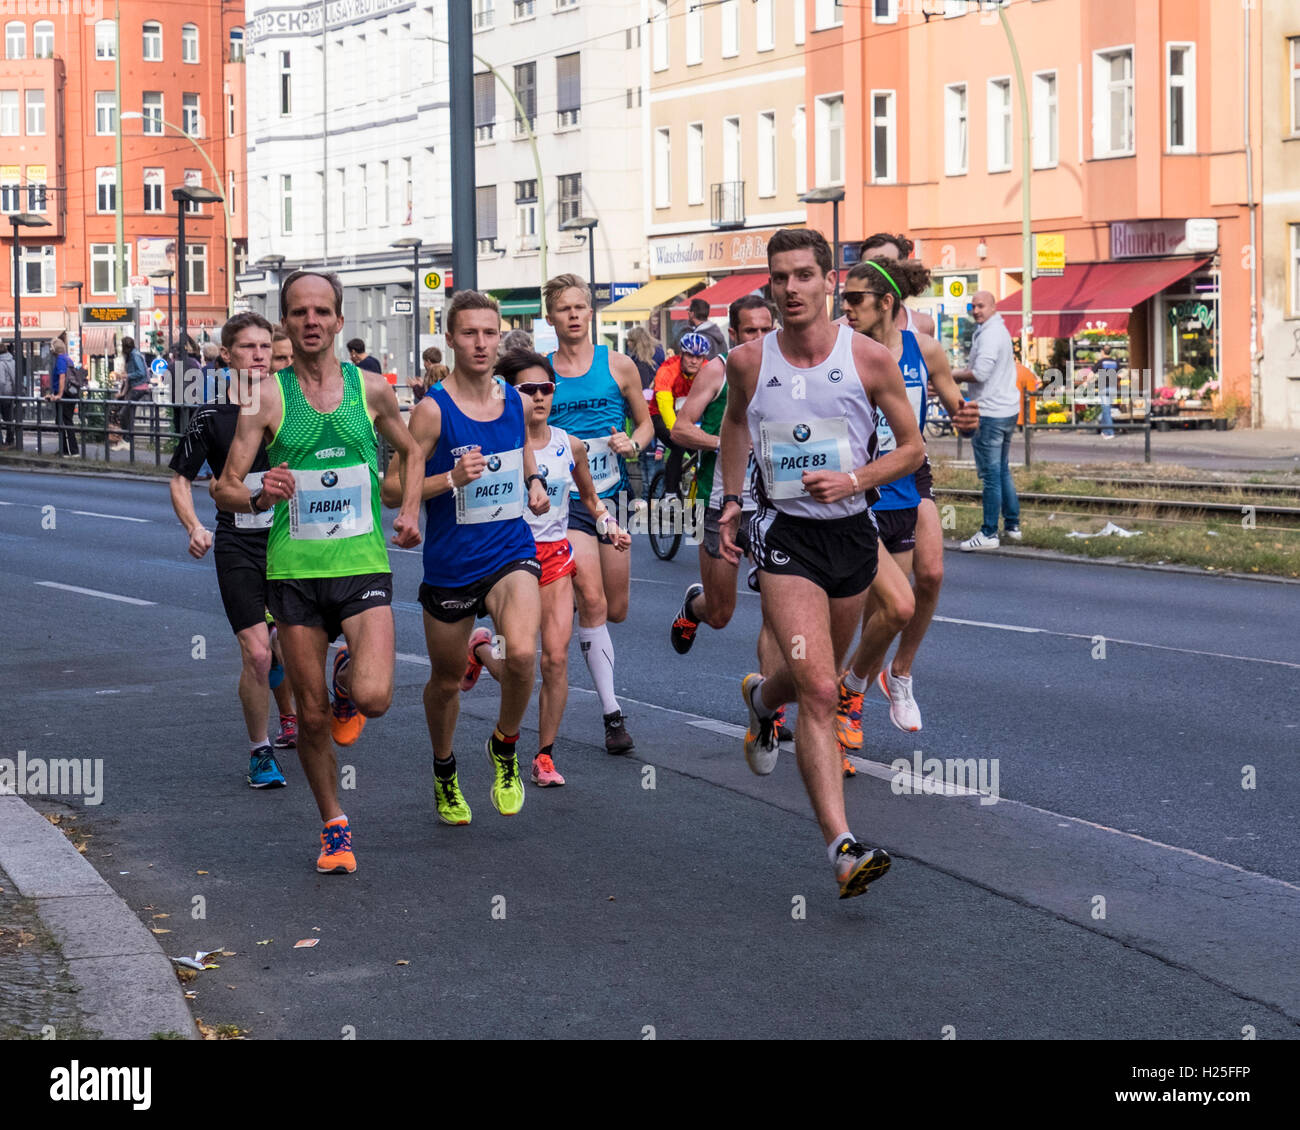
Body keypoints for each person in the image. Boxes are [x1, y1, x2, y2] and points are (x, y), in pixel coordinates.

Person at [717, 228, 925, 900]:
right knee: (816, 691)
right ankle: (842, 847)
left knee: (816, 681)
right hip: (784, 537)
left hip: (849, 538)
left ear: (829, 282)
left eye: (804, 275)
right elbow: (733, 428)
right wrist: (729, 501)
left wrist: (857, 479)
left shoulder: (868, 360)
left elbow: (914, 449)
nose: (791, 289)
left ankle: (758, 698)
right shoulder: (750, 361)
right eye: (780, 278)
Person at [216, 270, 425, 875]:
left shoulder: (374, 389)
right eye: (299, 312)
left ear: (338, 321)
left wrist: (409, 510)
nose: (311, 321)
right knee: (309, 719)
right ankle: (335, 825)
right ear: (285, 321)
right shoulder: (266, 396)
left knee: (374, 697)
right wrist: (261, 492)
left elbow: (411, 451)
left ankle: (345, 683)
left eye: (321, 311)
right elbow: (225, 488)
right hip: (293, 572)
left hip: (361, 564)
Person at [380, 292, 549, 823]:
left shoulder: (515, 400)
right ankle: (445, 770)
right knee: (446, 681)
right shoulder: (433, 410)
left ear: (500, 338)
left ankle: (505, 745)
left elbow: (519, 448)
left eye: (489, 333)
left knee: (523, 655)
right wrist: (450, 479)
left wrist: (534, 478)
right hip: (452, 563)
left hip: (510, 549)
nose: (480, 343)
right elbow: (390, 489)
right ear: (450, 339)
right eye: (470, 333)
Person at [459, 349, 631, 789]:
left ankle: (544, 755)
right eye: (527, 389)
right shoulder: (496, 442)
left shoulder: (568, 445)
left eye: (546, 389)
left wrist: (609, 526)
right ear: (508, 393)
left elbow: (590, 501)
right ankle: (481, 647)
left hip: (554, 555)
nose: (538, 397)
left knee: (555, 659)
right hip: (509, 557)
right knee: (521, 665)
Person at [834, 258, 980, 755]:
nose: (845, 307)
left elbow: (956, 407)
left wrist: (968, 419)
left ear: (887, 302)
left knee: (930, 577)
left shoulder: (925, 349)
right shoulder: (842, 348)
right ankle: (844, 695)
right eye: (844, 299)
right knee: (889, 605)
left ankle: (897, 675)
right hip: (859, 482)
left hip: (908, 473)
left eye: (855, 299)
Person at [169, 313, 299, 788]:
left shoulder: (294, 407)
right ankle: (260, 751)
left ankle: (302, 708)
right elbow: (181, 477)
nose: (260, 356)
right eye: (248, 347)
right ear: (227, 355)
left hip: (291, 540)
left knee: (294, 643)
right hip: (239, 543)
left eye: (266, 347)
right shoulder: (213, 415)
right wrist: (193, 527)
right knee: (258, 653)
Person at [545, 273, 654, 755]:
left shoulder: (620, 365)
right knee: (592, 600)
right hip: (566, 501)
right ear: (550, 317)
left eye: (580, 307)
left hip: (611, 492)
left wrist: (634, 442)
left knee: (615, 608)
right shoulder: (540, 371)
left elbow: (647, 422)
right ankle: (613, 716)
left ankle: (557, 594)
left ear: (591, 313)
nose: (573, 315)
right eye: (563, 308)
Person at [668, 295, 776, 649]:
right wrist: (726, 443)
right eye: (749, 331)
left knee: (779, 610)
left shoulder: (787, 367)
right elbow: (680, 430)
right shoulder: (718, 369)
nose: (758, 338)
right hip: (720, 502)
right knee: (720, 613)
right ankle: (693, 609)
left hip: (774, 505)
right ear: (732, 333)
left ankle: (766, 700)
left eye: (765, 329)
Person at [952, 290, 1020, 549]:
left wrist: (951, 374)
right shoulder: (997, 330)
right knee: (1002, 469)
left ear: (992, 307)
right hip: (1006, 409)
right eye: (973, 306)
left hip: (990, 411)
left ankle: (989, 533)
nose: (976, 310)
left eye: (981, 306)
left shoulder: (990, 334)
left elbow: (980, 373)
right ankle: (1012, 526)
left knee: (991, 474)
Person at [649, 330, 711, 495]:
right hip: (660, 414)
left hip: (689, 414)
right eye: (690, 356)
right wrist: (678, 431)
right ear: (682, 354)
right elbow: (665, 405)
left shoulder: (708, 369)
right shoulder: (668, 370)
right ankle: (670, 494)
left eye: (699, 357)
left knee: (704, 452)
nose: (694, 361)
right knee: (678, 445)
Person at [857, 233, 937, 337]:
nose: (879, 275)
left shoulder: (923, 325)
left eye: (887, 266)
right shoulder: (844, 330)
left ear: (904, 271)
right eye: (870, 268)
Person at [624, 327, 661, 500]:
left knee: (646, 460)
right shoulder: (657, 359)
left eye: (629, 341)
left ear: (634, 342)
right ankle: (653, 498)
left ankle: (649, 499)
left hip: (641, 416)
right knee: (652, 459)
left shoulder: (637, 366)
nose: (627, 344)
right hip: (656, 414)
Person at [116, 336, 153, 449]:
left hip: (138, 388)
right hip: (136, 387)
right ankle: (127, 440)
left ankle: (126, 440)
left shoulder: (134, 355)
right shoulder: (133, 355)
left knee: (124, 413)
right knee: (128, 414)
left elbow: (141, 372)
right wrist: (123, 392)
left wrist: (127, 375)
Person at [45, 339, 79, 456]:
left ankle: (69, 451)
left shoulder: (60, 360)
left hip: (64, 394)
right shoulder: (67, 358)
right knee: (64, 421)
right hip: (71, 393)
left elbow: (62, 377)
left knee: (64, 422)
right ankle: (67, 450)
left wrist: (58, 395)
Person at [1097, 344, 1118, 439]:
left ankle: (1110, 432)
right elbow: (1121, 372)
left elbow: (1092, 373)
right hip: (1113, 388)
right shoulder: (1115, 362)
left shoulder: (1101, 362)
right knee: (1106, 409)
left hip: (1104, 388)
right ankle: (1105, 431)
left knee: (1106, 410)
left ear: (1102, 352)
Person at [0, 341, 15, 447]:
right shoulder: (12, 361)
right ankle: (10, 440)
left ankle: (1, 442)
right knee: (9, 417)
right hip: (11, 393)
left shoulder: (1, 363)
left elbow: (1, 381)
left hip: (2, 393)